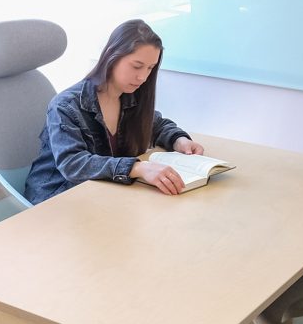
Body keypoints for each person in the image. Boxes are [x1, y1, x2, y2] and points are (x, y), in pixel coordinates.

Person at [22, 18, 204, 204]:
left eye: (150, 68)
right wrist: (138, 168)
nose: (142, 77)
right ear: (112, 56)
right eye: (136, 66)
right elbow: (73, 164)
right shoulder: (66, 105)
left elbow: (156, 124)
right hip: (56, 198)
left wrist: (179, 140)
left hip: (102, 194)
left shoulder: (129, 96)